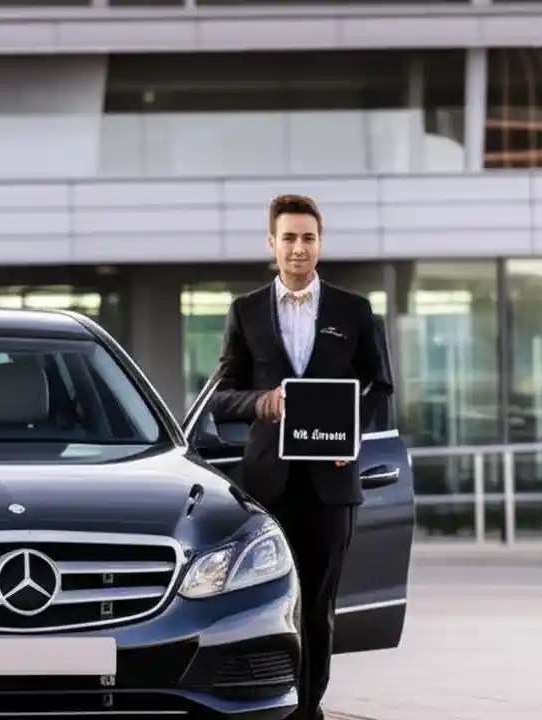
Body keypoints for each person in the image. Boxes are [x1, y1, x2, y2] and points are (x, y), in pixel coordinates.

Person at [211, 194, 392, 720]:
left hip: (330, 485)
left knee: (316, 609)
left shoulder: (353, 311)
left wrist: (348, 442)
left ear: (320, 243)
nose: (298, 247)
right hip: (266, 487)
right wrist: (262, 403)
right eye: (288, 237)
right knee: (262, 606)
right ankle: (263, 704)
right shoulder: (245, 311)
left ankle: (307, 710)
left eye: (308, 237)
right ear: (272, 243)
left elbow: (379, 389)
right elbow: (223, 395)